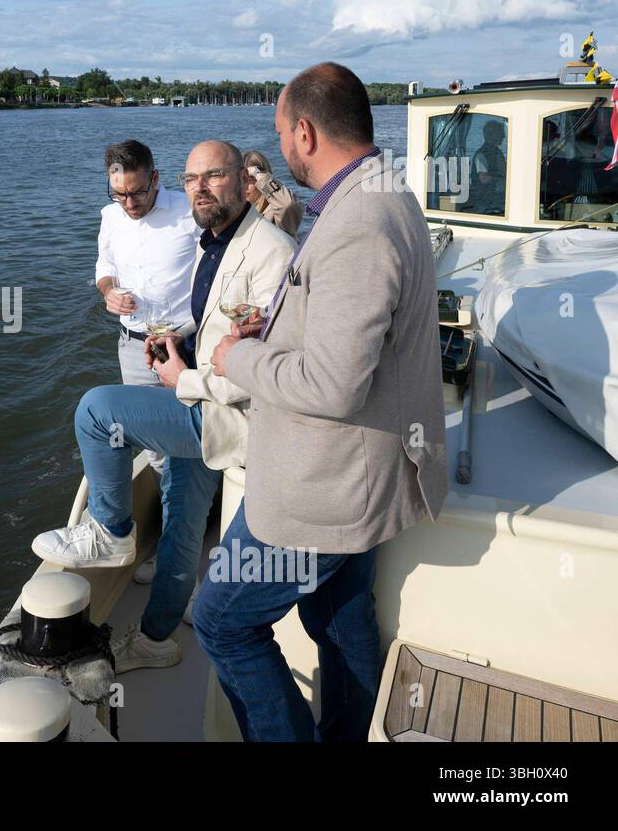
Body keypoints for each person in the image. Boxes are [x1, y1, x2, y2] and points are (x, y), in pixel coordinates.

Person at [200, 62, 448, 742]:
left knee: (221, 620)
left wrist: (237, 356)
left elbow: (335, 385)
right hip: (357, 482)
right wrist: (276, 332)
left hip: (324, 489)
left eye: (281, 133)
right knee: (336, 617)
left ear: (305, 132)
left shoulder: (361, 219)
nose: (279, 148)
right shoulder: (380, 192)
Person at [32, 140, 295, 673]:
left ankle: (112, 532)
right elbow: (216, 319)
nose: (200, 188)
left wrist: (185, 376)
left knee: (96, 411)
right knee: (181, 519)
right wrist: (172, 345)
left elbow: (266, 368)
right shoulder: (213, 240)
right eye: (193, 177)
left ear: (245, 181)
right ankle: (155, 639)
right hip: (176, 363)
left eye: (214, 176)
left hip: (223, 410)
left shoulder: (267, 249)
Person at [95, 140, 200, 390]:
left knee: (194, 421)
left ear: (154, 178)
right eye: (119, 194)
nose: (129, 204)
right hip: (133, 349)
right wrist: (109, 291)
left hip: (187, 343)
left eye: (137, 192)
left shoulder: (190, 210)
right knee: (141, 423)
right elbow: (105, 268)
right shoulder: (110, 216)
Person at [241, 150, 304, 237]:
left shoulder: (274, 213)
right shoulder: (239, 212)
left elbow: (287, 204)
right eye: (242, 180)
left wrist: (257, 172)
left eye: (251, 179)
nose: (245, 186)